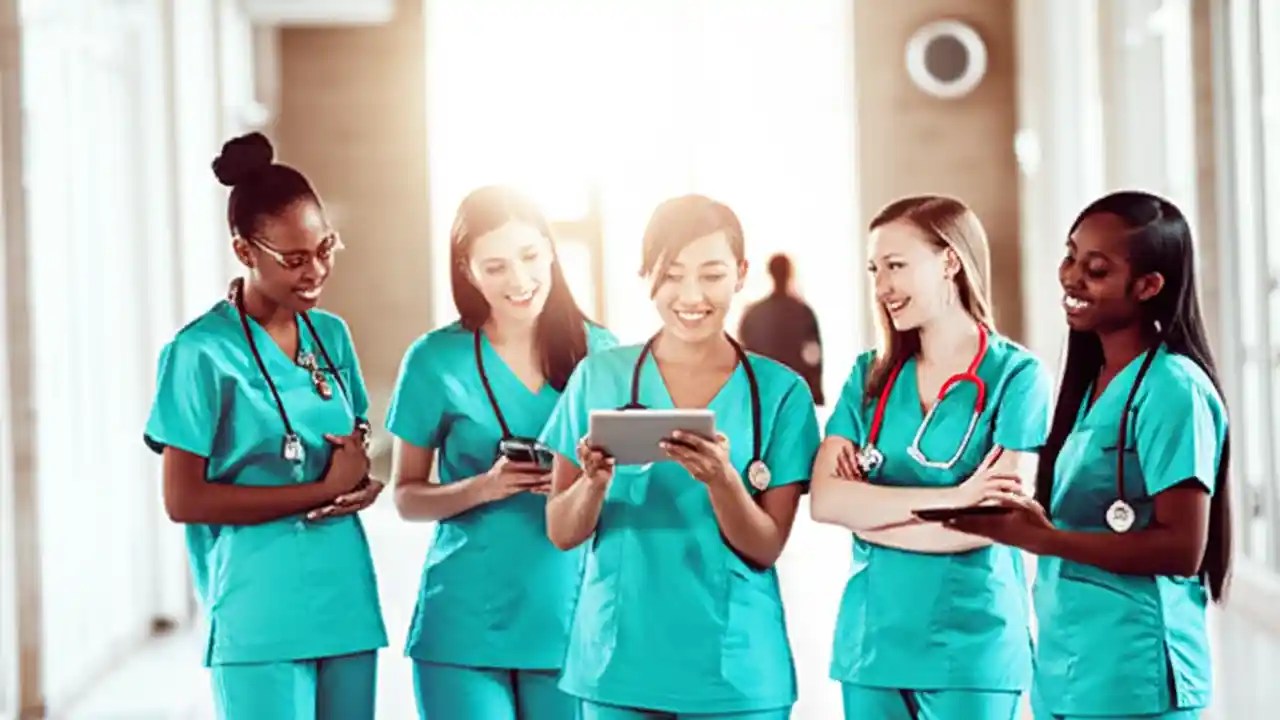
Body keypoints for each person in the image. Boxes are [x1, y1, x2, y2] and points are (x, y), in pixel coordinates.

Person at [943, 191, 1232, 720]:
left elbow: (1183, 547)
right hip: (1068, 669)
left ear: (1148, 286)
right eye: (1070, 256)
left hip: (1136, 675)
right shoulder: (1091, 384)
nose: (1071, 277)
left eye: (1095, 269)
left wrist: (1043, 538)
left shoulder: (1172, 389)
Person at [539, 194, 821, 720]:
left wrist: (723, 482)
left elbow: (765, 546)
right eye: (671, 274)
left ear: (740, 274)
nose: (691, 295)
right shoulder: (600, 378)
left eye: (712, 274)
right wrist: (593, 484)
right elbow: (561, 530)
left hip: (736, 673)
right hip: (619, 667)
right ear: (646, 275)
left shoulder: (781, 394)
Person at [142, 132, 387, 720]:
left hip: (346, 599)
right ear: (245, 251)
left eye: (325, 249)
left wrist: (358, 483)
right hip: (259, 609)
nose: (317, 271)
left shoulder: (331, 336)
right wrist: (324, 489)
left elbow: (350, 442)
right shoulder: (199, 354)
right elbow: (184, 498)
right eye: (295, 259)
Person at [808, 195, 1053, 720]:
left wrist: (871, 515)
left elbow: (999, 522)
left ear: (949, 261)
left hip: (973, 647)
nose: (882, 287)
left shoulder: (1017, 376)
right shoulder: (868, 377)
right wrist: (957, 498)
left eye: (896, 266)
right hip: (871, 646)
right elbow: (826, 501)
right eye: (875, 270)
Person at [385, 185, 617, 719]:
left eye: (530, 256)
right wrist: (483, 487)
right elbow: (406, 497)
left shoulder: (600, 353)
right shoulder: (433, 360)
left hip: (570, 620)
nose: (519, 280)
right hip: (463, 625)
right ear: (467, 272)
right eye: (495, 267)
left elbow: (630, 484)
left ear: (551, 250)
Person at [738, 254, 825, 404]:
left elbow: (743, 359)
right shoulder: (803, 313)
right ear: (790, 273)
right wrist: (816, 395)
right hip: (794, 396)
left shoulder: (754, 314)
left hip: (762, 394)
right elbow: (813, 359)